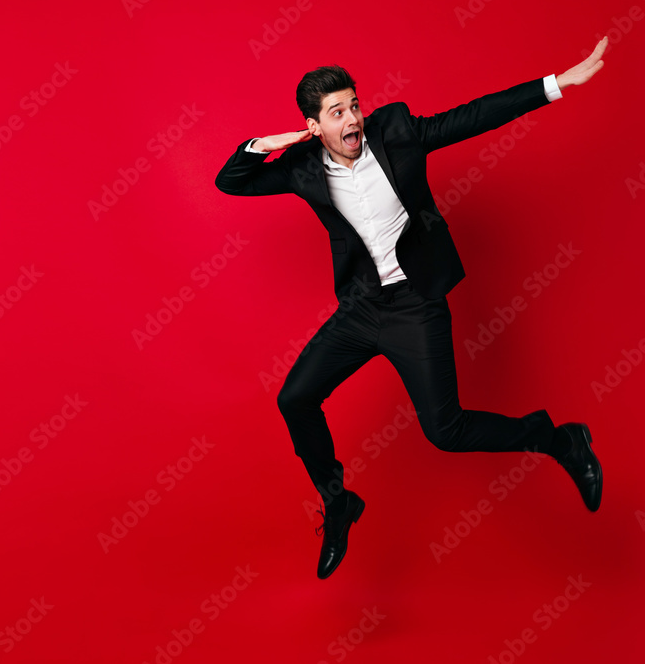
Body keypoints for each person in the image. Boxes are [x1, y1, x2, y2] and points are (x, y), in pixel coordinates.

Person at [215, 37, 609, 579]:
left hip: (413, 305)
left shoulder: (395, 131)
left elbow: (473, 117)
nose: (353, 118)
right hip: (360, 309)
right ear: (316, 126)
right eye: (337, 113)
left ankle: (558, 439)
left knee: (446, 432)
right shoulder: (303, 166)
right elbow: (229, 181)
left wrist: (557, 84)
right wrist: (281, 141)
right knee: (295, 398)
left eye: (354, 105)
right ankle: (338, 502)